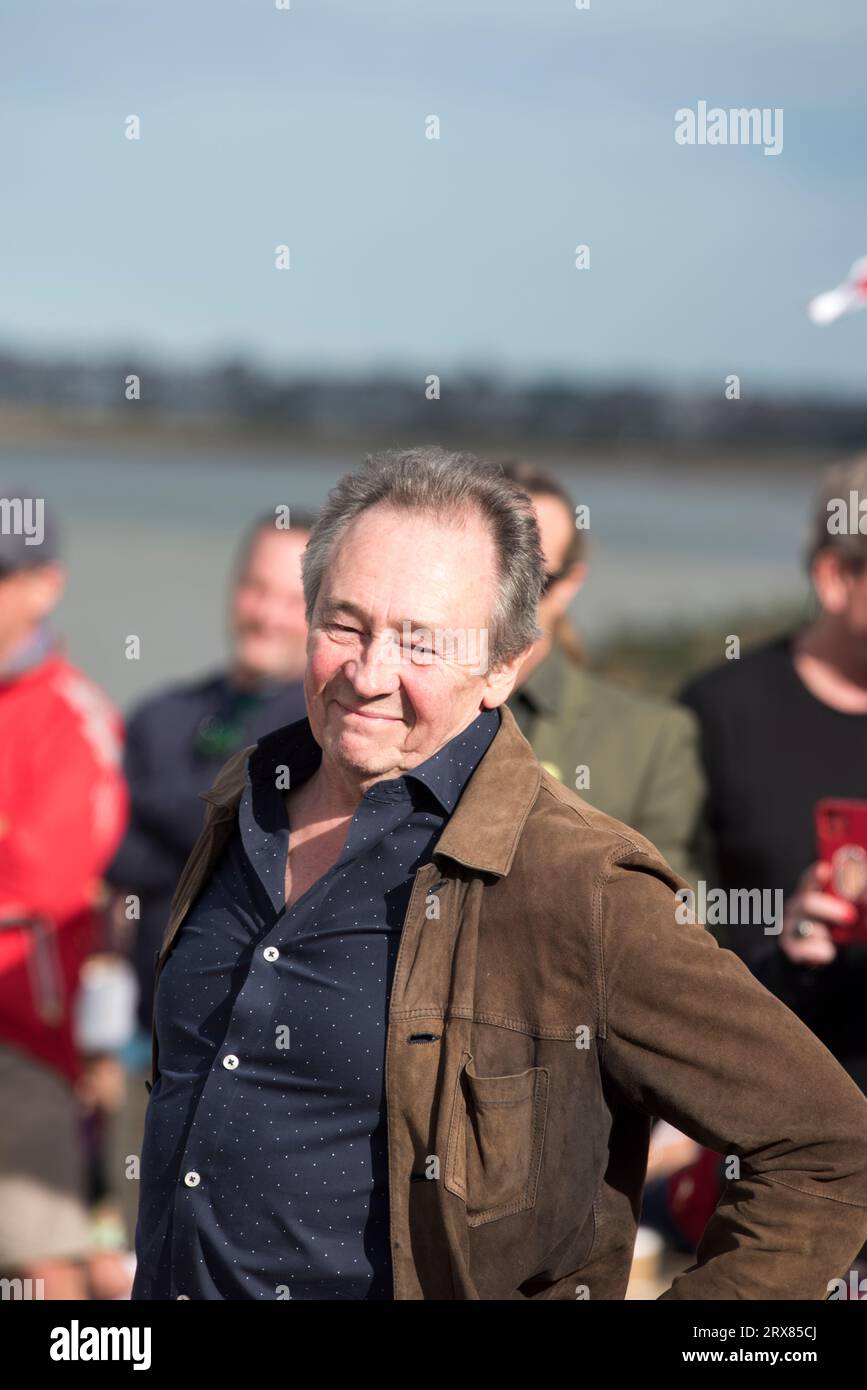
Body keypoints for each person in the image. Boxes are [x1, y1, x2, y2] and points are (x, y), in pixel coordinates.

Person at [134, 449, 867, 1301]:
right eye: (344, 624)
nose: (369, 674)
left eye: (420, 641)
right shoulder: (243, 801)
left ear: (505, 668)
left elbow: (826, 1149)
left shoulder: (579, 884)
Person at [680, 454, 867, 1096]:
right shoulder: (717, 713)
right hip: (764, 1111)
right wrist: (779, 951)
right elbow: (660, 944)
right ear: (837, 577)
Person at [106, 509, 314, 1043]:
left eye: (293, 601)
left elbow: (253, 850)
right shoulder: (161, 714)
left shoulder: (321, 736)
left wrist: (161, 820)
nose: (266, 615)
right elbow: (109, 851)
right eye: (255, 589)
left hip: (251, 1039)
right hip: (137, 1029)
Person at [0, 490, 129, 1298]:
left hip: (24, 1042)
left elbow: (38, 882)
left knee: (41, 1264)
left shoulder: (71, 717)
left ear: (45, 584)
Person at [501, 461, 706, 886]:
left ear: (571, 582)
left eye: (533, 582)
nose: (506, 604)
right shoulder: (396, 703)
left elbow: (677, 909)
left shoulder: (650, 739)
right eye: (494, 579)